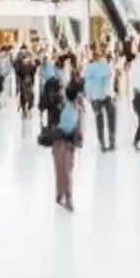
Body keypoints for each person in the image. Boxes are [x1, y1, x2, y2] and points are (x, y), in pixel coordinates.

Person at [52, 80, 84, 211]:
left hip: (60, 142)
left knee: (61, 169)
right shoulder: (76, 109)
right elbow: (79, 127)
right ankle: (66, 196)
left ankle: (61, 194)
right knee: (66, 170)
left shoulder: (64, 106)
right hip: (67, 143)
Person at [84, 47, 115, 151]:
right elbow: (109, 76)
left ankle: (108, 140)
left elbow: (109, 76)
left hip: (102, 95)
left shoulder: (99, 65)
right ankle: (105, 141)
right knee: (104, 116)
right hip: (99, 95)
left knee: (104, 116)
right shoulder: (93, 66)